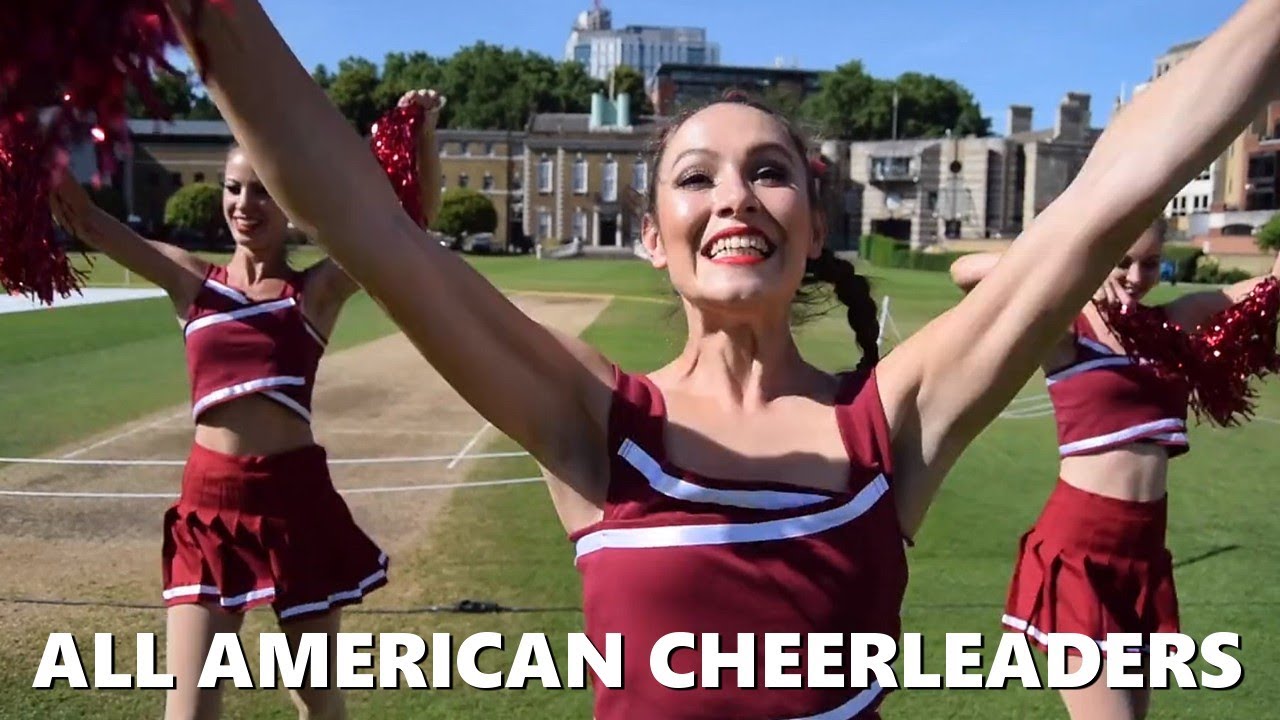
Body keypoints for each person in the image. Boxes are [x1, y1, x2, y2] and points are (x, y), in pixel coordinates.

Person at [158, 0, 1280, 716]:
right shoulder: (594, 421)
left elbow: (1106, 194)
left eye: (768, 171)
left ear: (812, 219)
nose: (733, 195)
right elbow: (364, 219)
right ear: (652, 236)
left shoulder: (888, 423)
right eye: (694, 176)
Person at [47, 88, 444, 720]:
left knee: (315, 697)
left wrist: (421, 136)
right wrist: (31, 138)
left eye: (260, 191)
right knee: (191, 706)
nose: (243, 205)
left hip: (297, 507)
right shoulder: (190, 283)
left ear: (287, 204)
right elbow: (88, 221)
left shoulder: (313, 294)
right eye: (234, 190)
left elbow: (403, 224)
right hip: (210, 510)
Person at [950, 221, 1280, 720]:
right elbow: (966, 271)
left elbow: (1260, 290)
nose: (1135, 276)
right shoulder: (1065, 329)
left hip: (1143, 559)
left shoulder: (1170, 323)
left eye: (1150, 263)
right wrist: (1076, 269)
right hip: (1080, 557)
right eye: (1122, 260)